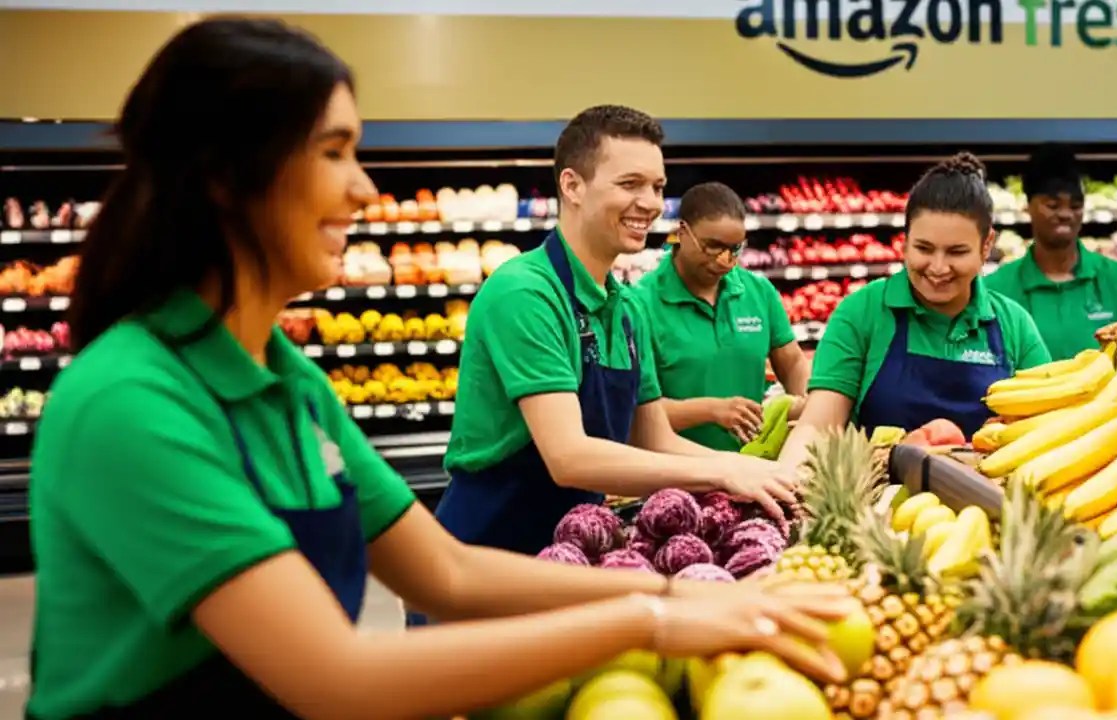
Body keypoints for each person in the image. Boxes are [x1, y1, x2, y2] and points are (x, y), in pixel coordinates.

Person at [24, 17, 852, 720]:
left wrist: (682, 595)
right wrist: (652, 619)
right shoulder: (132, 402)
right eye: (336, 152)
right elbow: (332, 678)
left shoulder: (287, 383)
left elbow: (446, 571)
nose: (365, 188)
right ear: (225, 179)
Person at [430, 106, 799, 562]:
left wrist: (753, 469)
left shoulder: (625, 309)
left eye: (658, 187)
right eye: (630, 184)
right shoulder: (525, 292)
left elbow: (655, 440)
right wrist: (720, 476)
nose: (650, 202)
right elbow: (569, 458)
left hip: (573, 544)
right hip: (486, 551)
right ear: (572, 186)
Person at [776, 153, 1052, 470]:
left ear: (986, 245)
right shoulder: (862, 312)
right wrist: (783, 482)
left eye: (956, 252)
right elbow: (818, 425)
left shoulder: (1013, 325)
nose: (937, 267)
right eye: (923, 248)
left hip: (986, 503)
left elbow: (1044, 428)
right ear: (905, 242)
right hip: (876, 503)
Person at [631, 181, 810, 451]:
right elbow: (635, 414)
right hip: (673, 476)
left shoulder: (758, 292)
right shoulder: (640, 304)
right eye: (712, 246)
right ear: (682, 232)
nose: (725, 260)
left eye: (735, 249)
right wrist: (710, 410)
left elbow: (793, 362)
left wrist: (810, 403)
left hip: (753, 466)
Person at [984, 144, 1117, 360]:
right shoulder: (996, 288)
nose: (1066, 214)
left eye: (1076, 206)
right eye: (1052, 205)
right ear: (1028, 206)